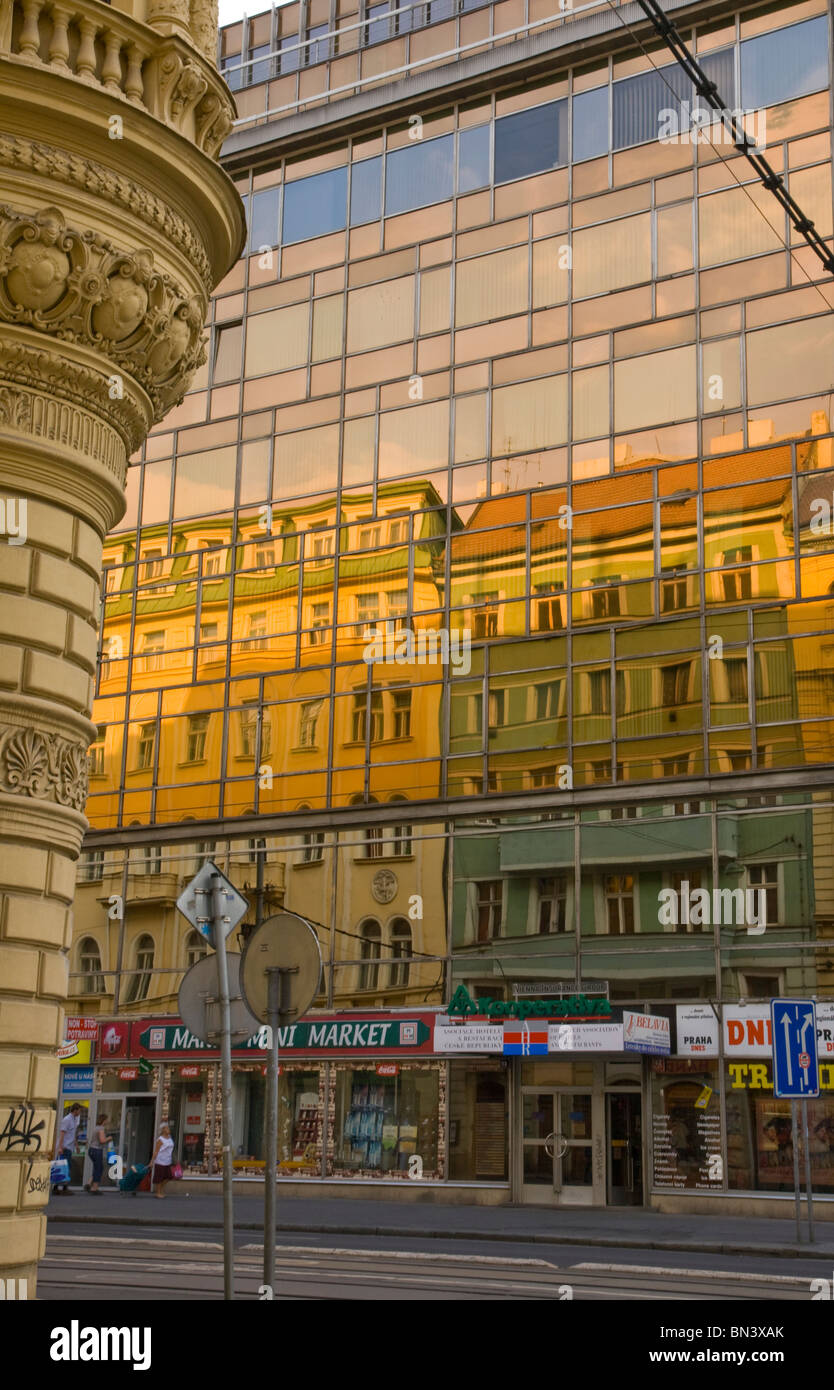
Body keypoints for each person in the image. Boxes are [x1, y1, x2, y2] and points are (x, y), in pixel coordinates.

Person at [53, 1103, 82, 1196]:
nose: (80, 1112)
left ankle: (58, 1187)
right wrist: (60, 1147)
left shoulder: (74, 1119)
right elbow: (62, 1133)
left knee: (65, 1168)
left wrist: (76, 1146)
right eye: (79, 1110)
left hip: (69, 1147)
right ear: (75, 1110)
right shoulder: (67, 1119)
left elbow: (72, 1135)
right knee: (64, 1168)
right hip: (65, 1147)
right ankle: (62, 1188)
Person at [85, 1111, 110, 1195]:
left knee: (96, 1168)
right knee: (99, 1168)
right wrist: (109, 1138)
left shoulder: (96, 1127)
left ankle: (89, 1183)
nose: (107, 1121)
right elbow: (102, 1140)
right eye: (106, 1120)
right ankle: (94, 1188)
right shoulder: (101, 1128)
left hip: (91, 1150)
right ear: (104, 1120)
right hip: (97, 1150)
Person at [150, 1122, 175, 1199]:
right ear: (163, 1130)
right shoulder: (160, 1139)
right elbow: (156, 1151)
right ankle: (158, 1193)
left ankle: (160, 1189)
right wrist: (152, 1161)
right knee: (159, 1178)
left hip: (168, 1160)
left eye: (168, 1128)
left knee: (169, 1176)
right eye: (167, 1128)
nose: (168, 1129)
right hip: (160, 1161)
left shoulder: (170, 1137)